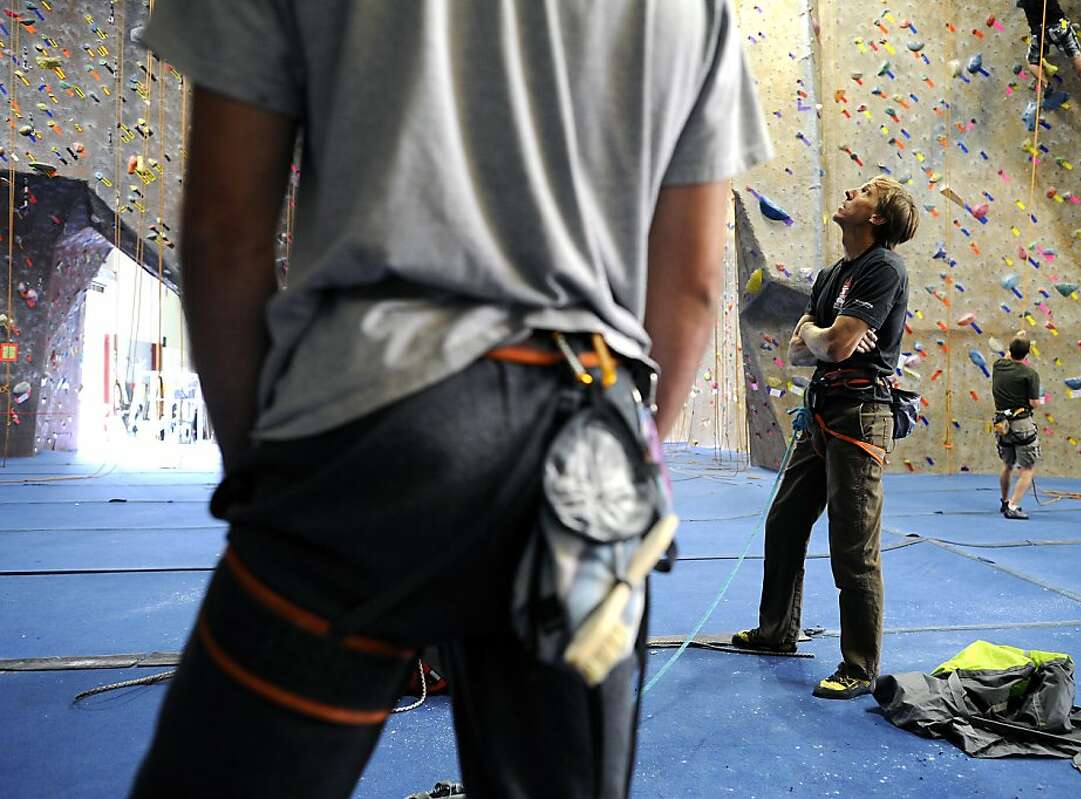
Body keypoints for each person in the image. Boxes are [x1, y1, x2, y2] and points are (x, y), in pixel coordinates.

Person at [132, 2, 772, 797]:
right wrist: (617, 462)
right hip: (586, 446)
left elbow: (227, 232)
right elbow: (691, 286)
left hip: (366, 426)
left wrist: (262, 472)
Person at [732, 177, 917, 701]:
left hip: (861, 416)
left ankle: (859, 666)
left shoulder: (882, 267)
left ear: (877, 218)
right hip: (821, 413)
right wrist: (824, 336)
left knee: (852, 545)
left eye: (862, 192)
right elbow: (800, 352)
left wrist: (824, 336)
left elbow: (830, 345)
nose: (849, 193)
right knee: (785, 521)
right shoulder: (834, 274)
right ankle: (775, 633)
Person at [992, 332, 1043, 520]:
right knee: (1027, 468)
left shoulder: (998, 366)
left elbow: (1007, 355)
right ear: (1027, 354)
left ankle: (1005, 501)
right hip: (1021, 424)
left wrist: (1017, 337)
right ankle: (1014, 506)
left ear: (1010, 350)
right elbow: (1034, 402)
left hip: (1002, 424)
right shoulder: (1030, 374)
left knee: (1007, 464)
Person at [1017, 0, 1081, 101]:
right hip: (1059, 24)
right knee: (1075, 53)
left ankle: (1046, 84)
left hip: (1040, 34)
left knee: (1031, 61)